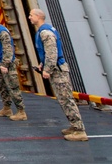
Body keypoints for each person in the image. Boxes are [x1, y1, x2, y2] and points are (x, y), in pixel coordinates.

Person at [29, 8, 88, 141]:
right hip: (56, 69)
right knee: (63, 100)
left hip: (58, 71)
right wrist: (42, 64)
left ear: (38, 16)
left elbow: (52, 52)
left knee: (66, 99)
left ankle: (80, 131)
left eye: (31, 15)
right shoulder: (45, 30)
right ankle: (74, 126)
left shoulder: (45, 32)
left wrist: (47, 69)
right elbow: (46, 52)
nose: (29, 17)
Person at [0, 12, 26, 120]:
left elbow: (8, 49)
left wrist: (5, 64)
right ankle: (6, 108)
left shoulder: (3, 32)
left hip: (6, 64)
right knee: (2, 87)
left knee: (12, 86)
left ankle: (21, 111)